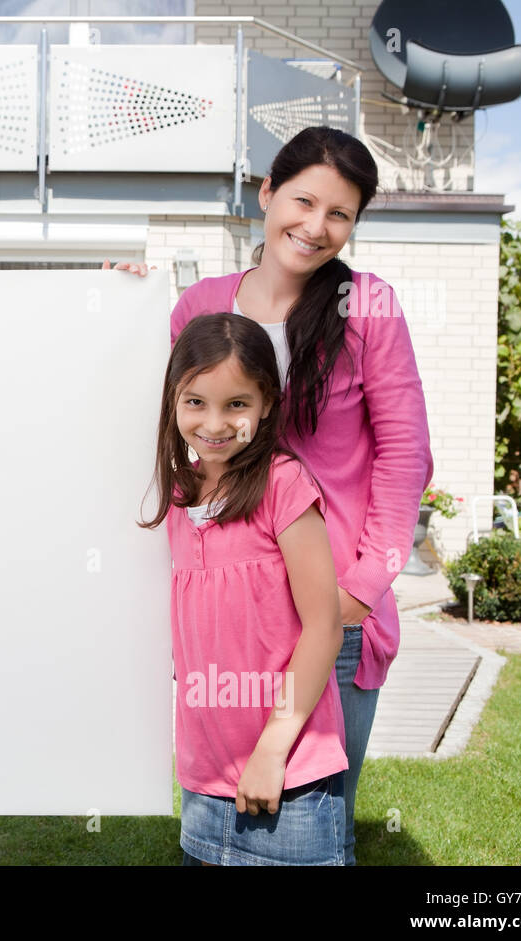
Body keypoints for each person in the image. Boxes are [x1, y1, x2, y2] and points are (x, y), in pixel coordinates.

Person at [165, 127, 434, 864]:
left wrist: (366, 584)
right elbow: (180, 423)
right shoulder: (199, 305)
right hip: (236, 603)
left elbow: (407, 453)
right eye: (304, 201)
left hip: (331, 607)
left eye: (340, 214)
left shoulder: (367, 306)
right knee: (226, 798)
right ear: (266, 194)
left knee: (317, 824)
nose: (316, 227)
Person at [141, 311, 348, 865]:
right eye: (195, 402)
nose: (215, 422)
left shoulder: (284, 485)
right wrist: (120, 286)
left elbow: (325, 628)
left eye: (237, 404)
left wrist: (272, 751)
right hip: (205, 780)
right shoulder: (178, 496)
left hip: (290, 776)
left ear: (267, 406)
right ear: (172, 402)